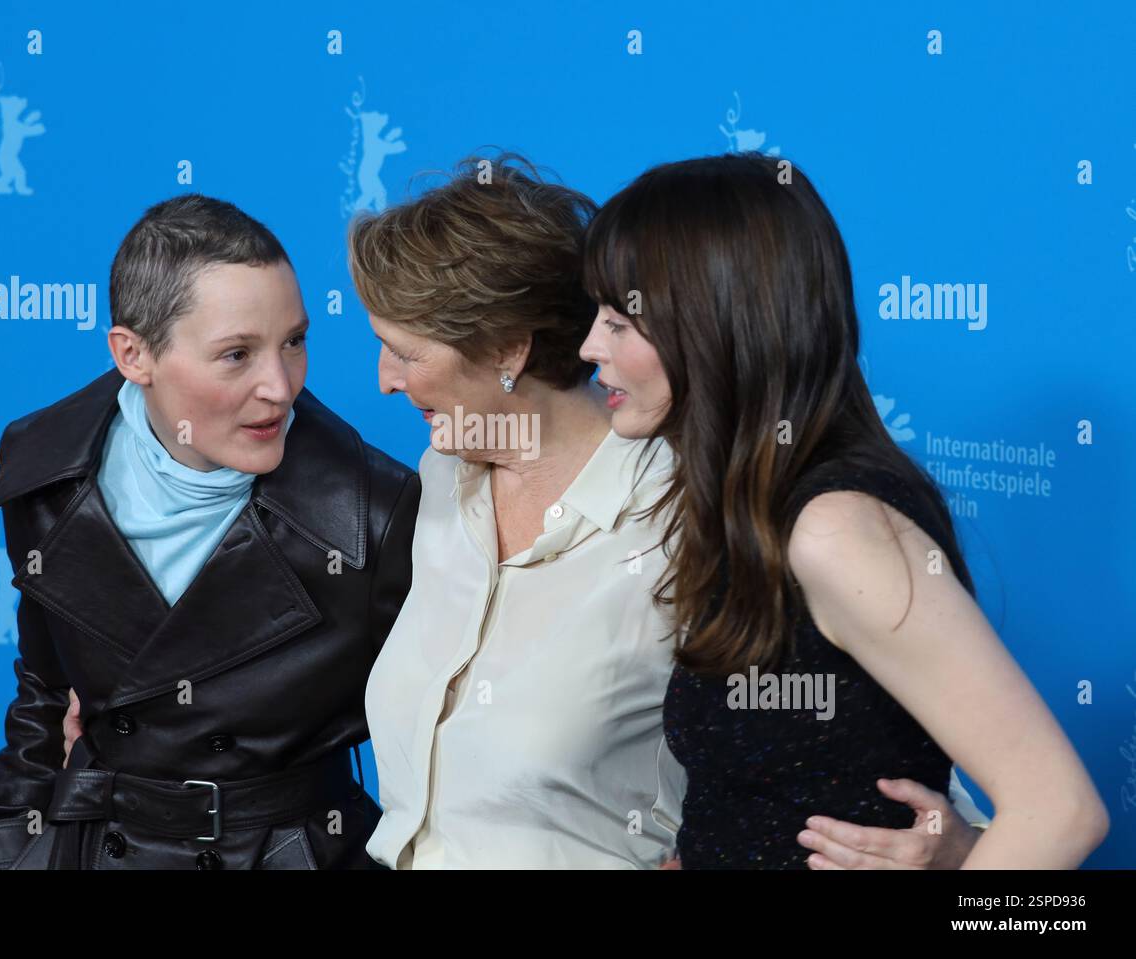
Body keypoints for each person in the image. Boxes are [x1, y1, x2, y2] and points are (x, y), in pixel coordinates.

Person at [343, 152, 989, 868]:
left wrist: (953, 848)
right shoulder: (442, 479)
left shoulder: (699, 512)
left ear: (506, 349)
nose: (383, 381)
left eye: (402, 351)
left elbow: (874, 752)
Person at [577, 152, 1110, 868]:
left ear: (716, 323)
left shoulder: (833, 529)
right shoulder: (746, 509)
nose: (589, 348)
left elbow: (1060, 810)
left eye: (619, 321)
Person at [0, 194, 418, 869]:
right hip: (94, 848)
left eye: (294, 341)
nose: (280, 386)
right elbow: (43, 695)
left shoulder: (371, 513)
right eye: (236, 354)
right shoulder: (41, 469)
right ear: (133, 355)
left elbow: (447, 750)